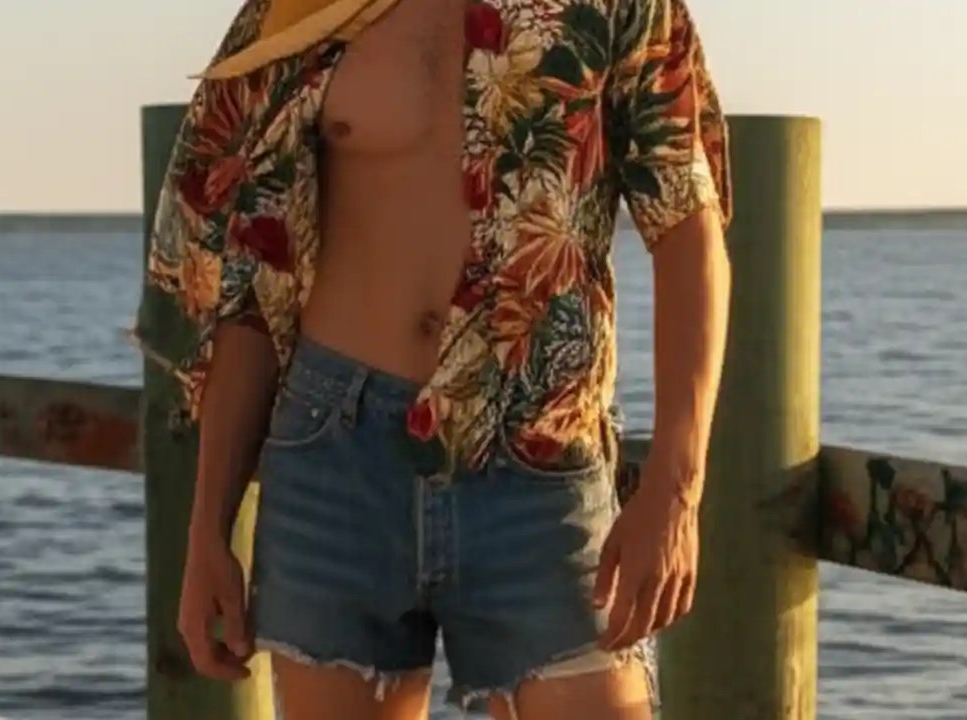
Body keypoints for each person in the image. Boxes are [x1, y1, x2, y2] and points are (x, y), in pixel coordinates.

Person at [135, 0, 732, 714]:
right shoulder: (304, 10)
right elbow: (255, 287)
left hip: (535, 452)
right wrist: (208, 533)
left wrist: (674, 491)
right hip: (334, 461)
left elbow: (689, 235)